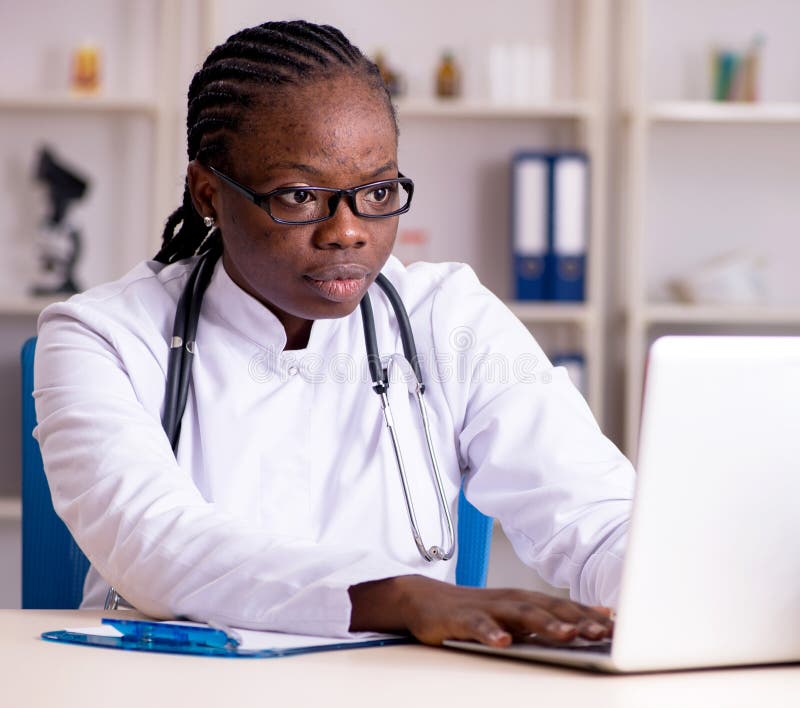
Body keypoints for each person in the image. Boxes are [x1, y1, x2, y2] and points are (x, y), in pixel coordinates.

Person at [34, 20, 634, 648]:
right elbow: (153, 542)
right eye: (298, 195)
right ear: (208, 192)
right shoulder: (99, 337)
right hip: (175, 680)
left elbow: (595, 516)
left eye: (377, 191)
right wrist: (403, 596)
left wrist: (664, 588)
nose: (348, 231)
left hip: (397, 687)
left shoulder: (449, 317)